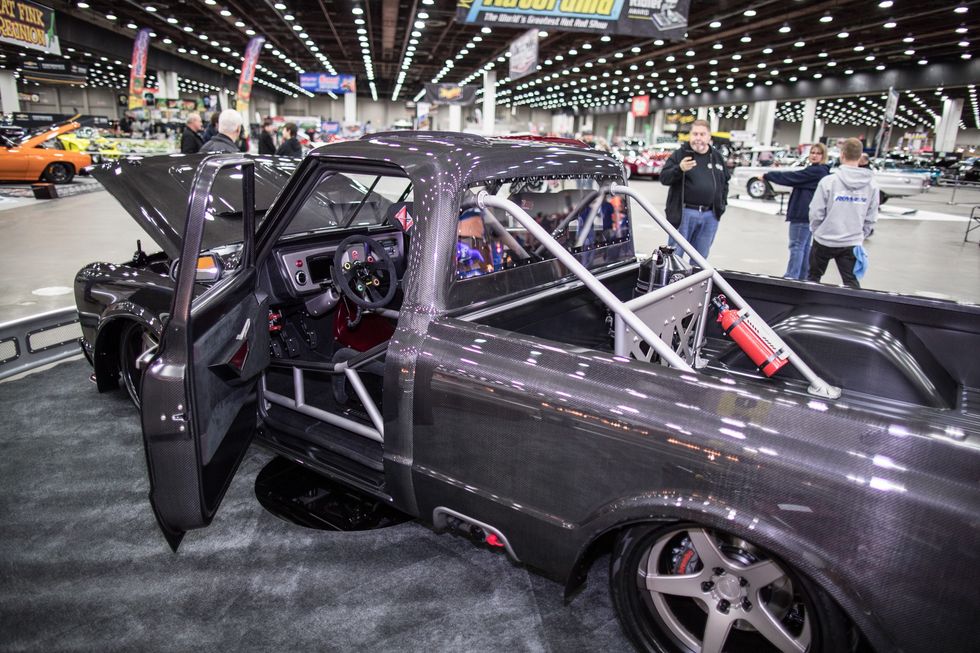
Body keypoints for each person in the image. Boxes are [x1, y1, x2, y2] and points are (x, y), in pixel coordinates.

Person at [807, 138, 879, 288]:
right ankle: (853, 310)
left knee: (813, 279)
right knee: (851, 284)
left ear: (842, 155)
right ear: (860, 157)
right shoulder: (872, 185)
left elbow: (816, 212)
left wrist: (818, 231)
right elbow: (871, 217)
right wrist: (860, 235)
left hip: (823, 240)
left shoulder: (828, 181)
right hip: (851, 243)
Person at [660, 119, 731, 259]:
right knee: (675, 258)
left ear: (709, 137)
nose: (698, 138)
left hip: (710, 216)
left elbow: (725, 183)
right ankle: (674, 281)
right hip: (684, 214)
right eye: (695, 134)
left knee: (700, 260)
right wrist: (679, 169)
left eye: (702, 134)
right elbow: (664, 178)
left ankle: (697, 281)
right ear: (690, 135)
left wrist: (721, 207)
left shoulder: (716, 157)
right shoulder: (680, 155)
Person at [758, 143, 830, 279]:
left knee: (797, 246)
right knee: (804, 247)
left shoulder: (816, 172)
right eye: (812, 152)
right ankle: (803, 277)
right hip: (808, 215)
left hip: (802, 214)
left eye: (818, 153)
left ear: (823, 156)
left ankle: (792, 276)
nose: (814, 155)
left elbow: (791, 177)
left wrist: (769, 175)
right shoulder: (819, 171)